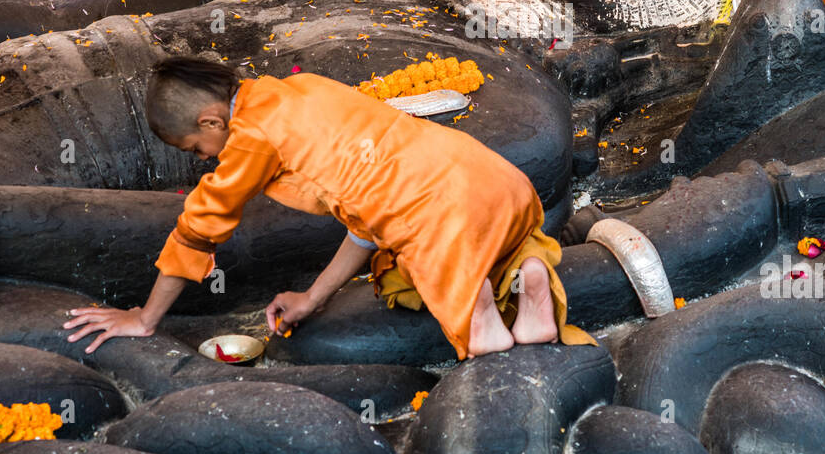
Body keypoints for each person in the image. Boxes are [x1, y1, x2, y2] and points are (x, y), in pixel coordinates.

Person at [64, 57, 593, 359]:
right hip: (494, 179)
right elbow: (366, 221)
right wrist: (313, 298)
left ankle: (481, 318)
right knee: (417, 262)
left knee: (469, 325)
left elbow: (197, 229)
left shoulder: (249, 138)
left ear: (210, 122)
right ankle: (528, 286)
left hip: (439, 209)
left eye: (194, 149)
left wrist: (145, 318)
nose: (204, 159)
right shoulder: (298, 89)